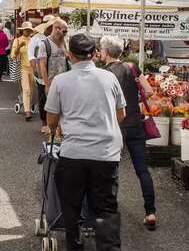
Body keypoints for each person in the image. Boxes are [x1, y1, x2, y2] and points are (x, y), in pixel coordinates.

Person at [45, 33, 126, 251]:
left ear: (70, 55)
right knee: (106, 208)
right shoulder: (110, 78)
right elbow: (121, 115)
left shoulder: (60, 81)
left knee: (71, 207)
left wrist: (57, 128)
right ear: (95, 54)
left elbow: (51, 119)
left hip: (74, 153)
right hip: (106, 152)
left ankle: (75, 246)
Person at [101, 35, 157, 230]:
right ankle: (150, 212)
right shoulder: (132, 67)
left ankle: (109, 213)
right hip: (135, 124)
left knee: (111, 169)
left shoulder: (103, 73)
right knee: (142, 170)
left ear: (105, 52)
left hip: (115, 125)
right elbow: (149, 91)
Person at [28, 15, 56, 134]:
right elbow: (32, 57)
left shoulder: (55, 38)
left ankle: (55, 124)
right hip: (42, 73)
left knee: (55, 98)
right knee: (43, 97)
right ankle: (44, 122)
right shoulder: (36, 39)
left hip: (55, 73)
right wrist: (37, 72)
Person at [11, 22, 35, 121]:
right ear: (22, 30)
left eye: (29, 30)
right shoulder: (17, 40)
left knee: (32, 90)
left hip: (33, 68)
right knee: (26, 90)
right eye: (26, 29)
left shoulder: (34, 40)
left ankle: (27, 104)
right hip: (23, 67)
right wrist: (19, 46)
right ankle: (27, 111)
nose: (28, 31)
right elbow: (13, 55)